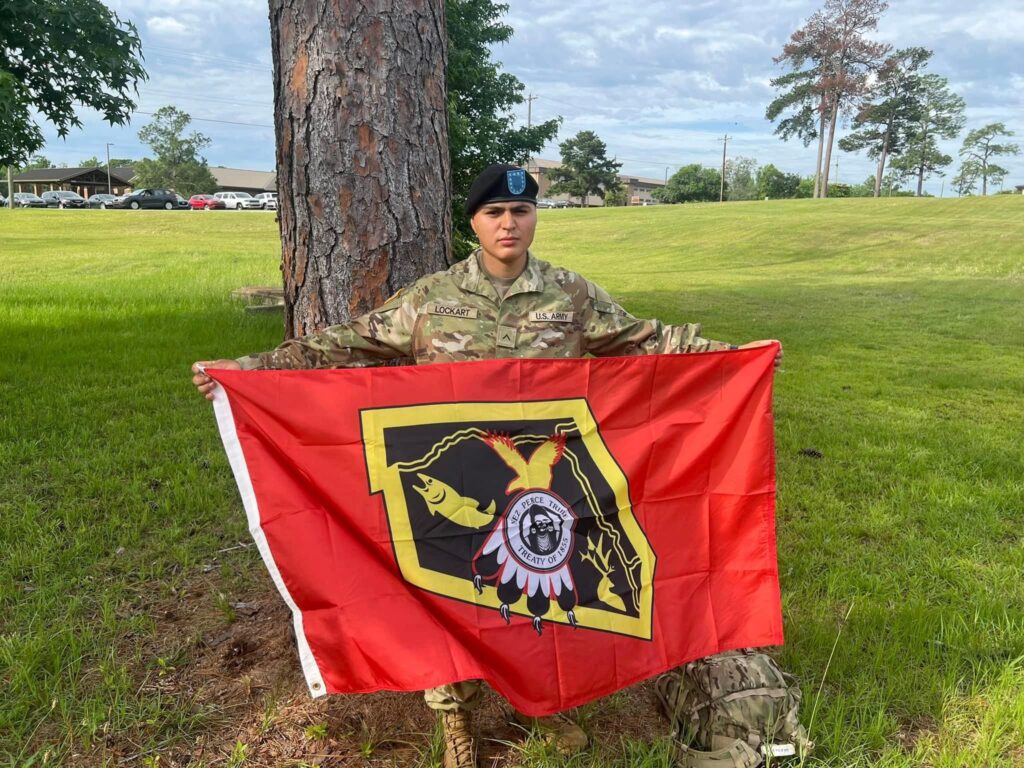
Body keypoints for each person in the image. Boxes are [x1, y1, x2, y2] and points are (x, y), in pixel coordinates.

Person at [192, 163, 782, 768]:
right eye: (495, 213)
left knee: (551, 583)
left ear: (534, 219)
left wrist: (737, 359)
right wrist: (251, 370)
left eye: (521, 212)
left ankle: (548, 703)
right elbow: (348, 342)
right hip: (465, 477)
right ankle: (458, 718)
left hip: (546, 482)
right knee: (454, 594)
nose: (509, 224)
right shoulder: (432, 298)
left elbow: (644, 340)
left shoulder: (570, 295)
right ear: (473, 222)